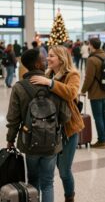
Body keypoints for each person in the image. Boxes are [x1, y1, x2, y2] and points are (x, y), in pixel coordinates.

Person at [6, 49, 71, 202]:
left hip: (30, 142)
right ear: (37, 64)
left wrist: (10, 139)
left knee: (33, 180)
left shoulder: (19, 87)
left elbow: (13, 119)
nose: (46, 60)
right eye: (43, 58)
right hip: (52, 142)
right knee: (48, 182)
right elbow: (66, 116)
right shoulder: (54, 85)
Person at [30, 45, 84, 202]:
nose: (48, 58)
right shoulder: (47, 74)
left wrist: (50, 83)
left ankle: (69, 197)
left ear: (61, 59)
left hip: (68, 129)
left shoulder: (72, 74)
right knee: (49, 171)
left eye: (52, 56)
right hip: (49, 130)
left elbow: (71, 92)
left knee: (64, 171)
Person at [81, 38, 105, 148]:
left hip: (96, 92)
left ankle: (101, 140)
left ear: (91, 45)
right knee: (103, 114)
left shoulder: (92, 60)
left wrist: (83, 91)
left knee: (98, 116)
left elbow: (89, 78)